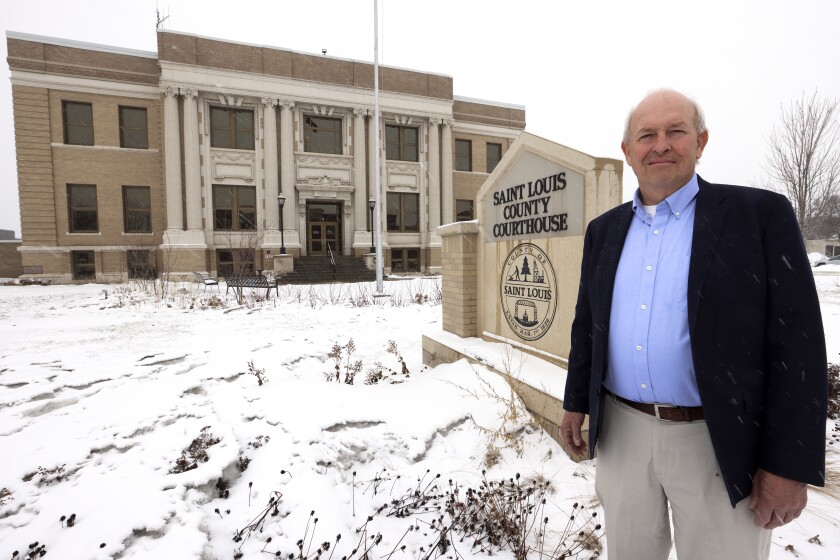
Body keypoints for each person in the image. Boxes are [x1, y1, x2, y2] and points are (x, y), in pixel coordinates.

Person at [560, 89, 827, 560]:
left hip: (718, 440)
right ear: (628, 151)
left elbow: (798, 346)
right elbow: (587, 324)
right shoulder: (604, 231)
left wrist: (788, 465)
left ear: (700, 142)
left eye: (675, 132)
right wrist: (575, 402)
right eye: (647, 135)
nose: (660, 144)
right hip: (622, 435)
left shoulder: (757, 217)